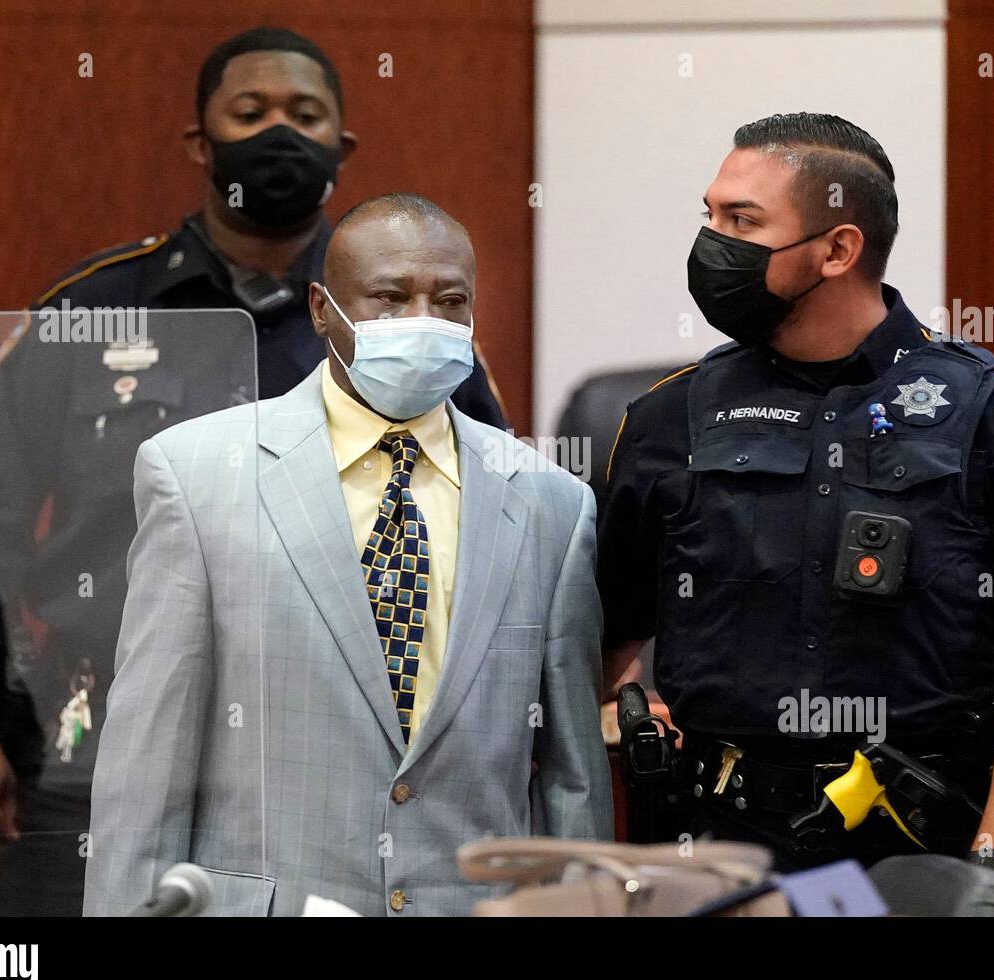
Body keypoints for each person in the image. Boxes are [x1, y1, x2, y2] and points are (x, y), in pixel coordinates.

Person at [0, 25, 508, 917]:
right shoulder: (95, 307)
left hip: (321, 755)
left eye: (304, 115)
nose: (279, 132)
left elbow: (493, 524)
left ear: (341, 152)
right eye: (251, 111)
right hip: (93, 737)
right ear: (202, 142)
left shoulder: (395, 330)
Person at [597, 112, 994, 886]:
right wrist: (624, 707)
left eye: (742, 220)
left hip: (919, 851)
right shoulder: (668, 418)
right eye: (710, 216)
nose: (712, 242)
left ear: (838, 249)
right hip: (714, 853)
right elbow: (596, 636)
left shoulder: (992, 412)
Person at [84, 194, 612, 917]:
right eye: (390, 298)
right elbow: (148, 763)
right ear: (322, 309)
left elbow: (571, 780)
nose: (422, 321)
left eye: (449, 300)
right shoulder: (198, 474)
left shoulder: (552, 504)